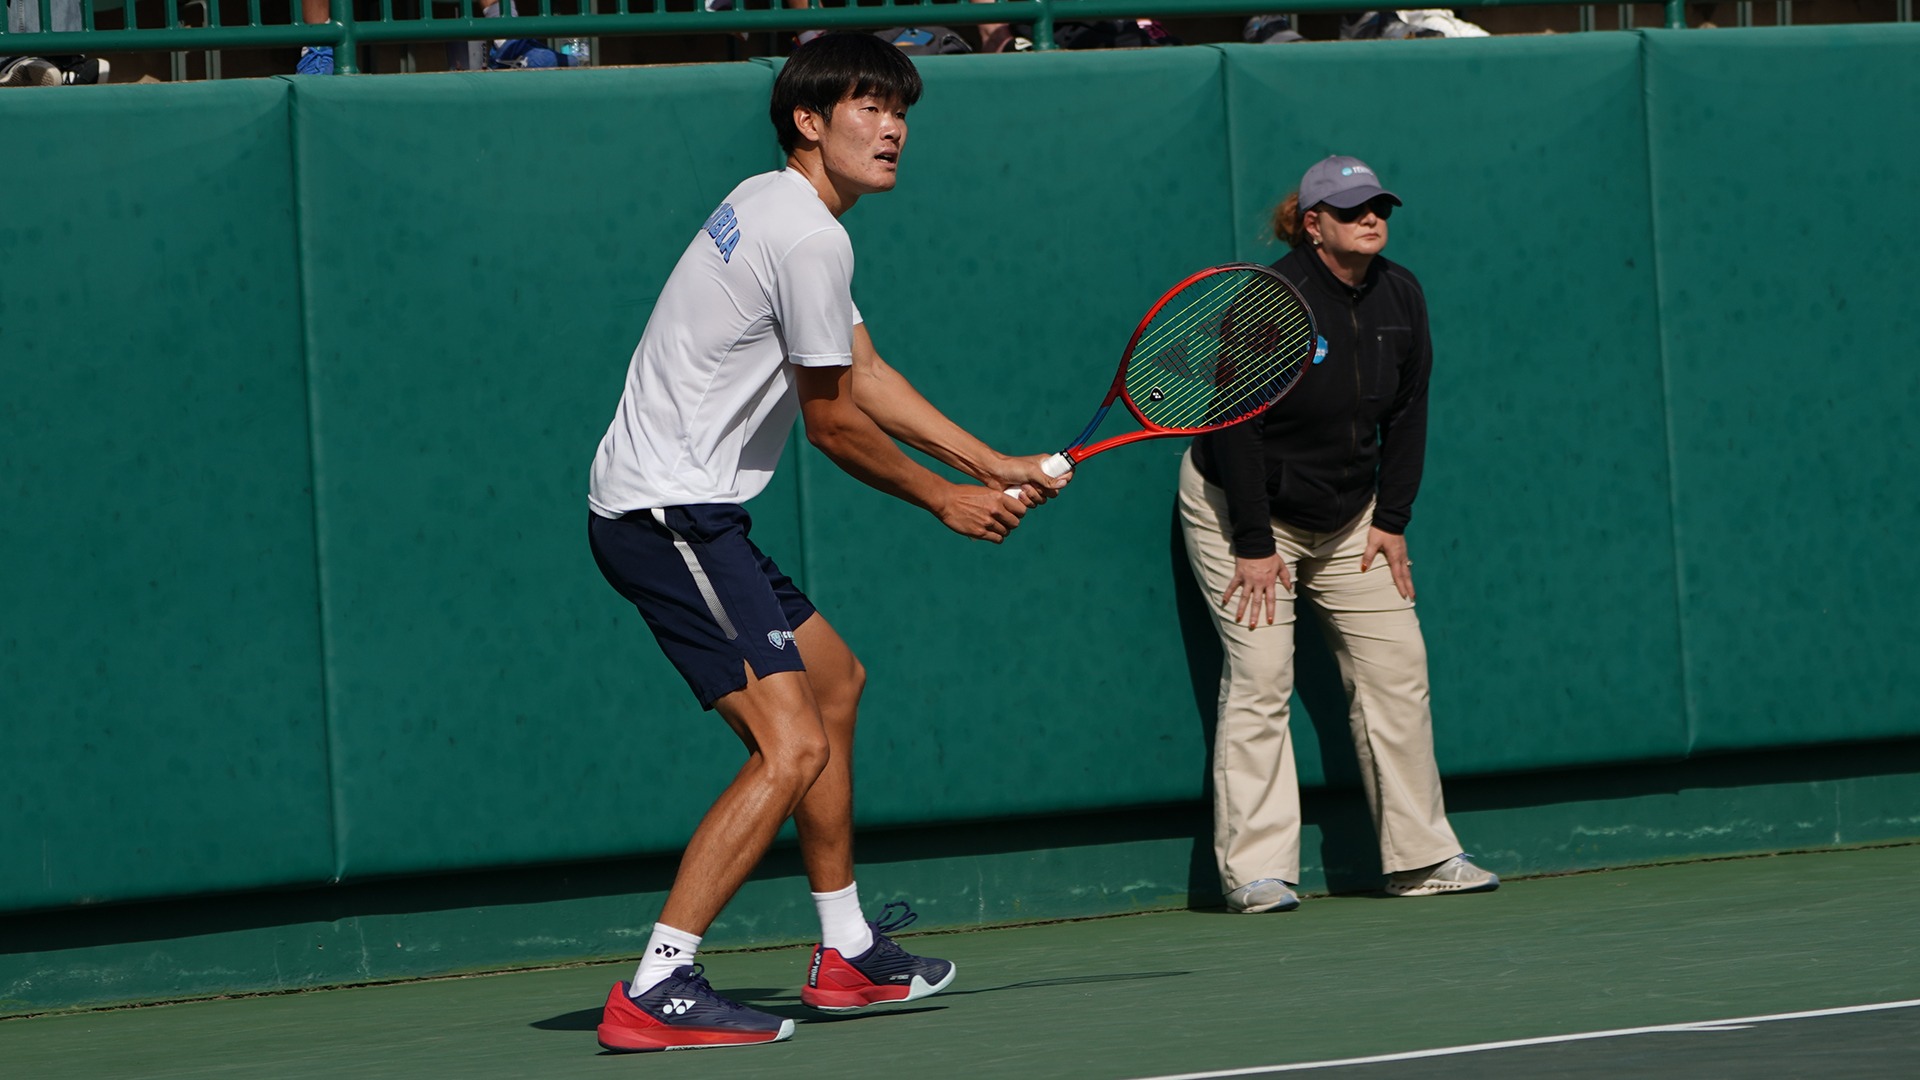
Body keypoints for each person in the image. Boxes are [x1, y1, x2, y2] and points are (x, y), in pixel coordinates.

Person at [584, 32, 1066, 1053]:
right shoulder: (807, 235)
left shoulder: (777, 205)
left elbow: (864, 368)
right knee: (792, 744)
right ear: (809, 121)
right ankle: (659, 984)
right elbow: (835, 422)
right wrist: (945, 500)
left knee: (834, 681)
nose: (893, 128)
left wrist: (994, 462)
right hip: (667, 515)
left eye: (902, 111)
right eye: (869, 107)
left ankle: (843, 951)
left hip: (688, 510)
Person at [1177, 155, 1496, 915]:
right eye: (1351, 210)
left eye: (1378, 206)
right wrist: (1253, 542)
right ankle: (1257, 872)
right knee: (1261, 678)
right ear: (1312, 224)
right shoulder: (1270, 300)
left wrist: (1391, 520)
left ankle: (1421, 858)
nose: (1371, 219)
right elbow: (1236, 426)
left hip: (1351, 513)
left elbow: (1410, 411)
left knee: (1398, 666)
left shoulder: (1402, 294)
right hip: (1242, 507)